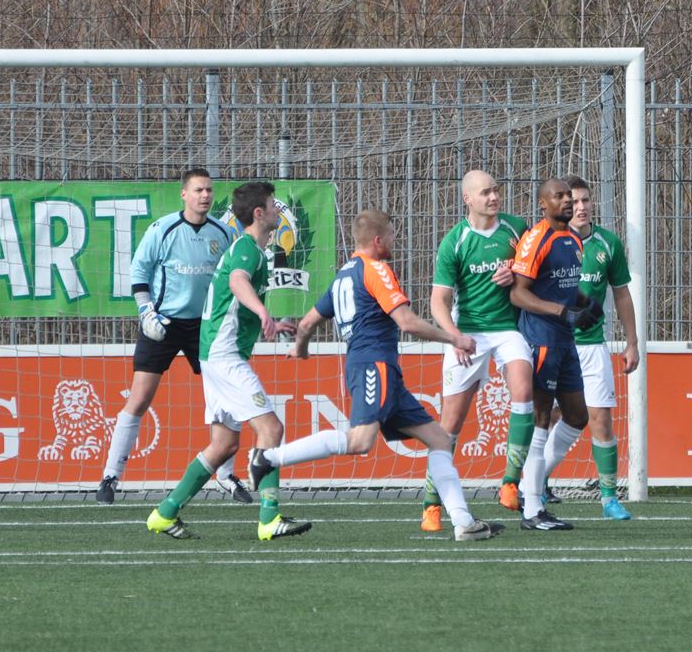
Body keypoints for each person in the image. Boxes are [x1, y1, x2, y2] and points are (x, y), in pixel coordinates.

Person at [251, 210, 503, 543]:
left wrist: (300, 347)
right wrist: (455, 338)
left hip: (378, 368)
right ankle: (268, 457)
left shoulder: (344, 273)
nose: (396, 242)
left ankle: (463, 523)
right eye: (393, 236)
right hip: (374, 365)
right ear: (378, 240)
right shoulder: (377, 270)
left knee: (440, 439)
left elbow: (310, 321)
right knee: (360, 441)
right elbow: (407, 323)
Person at [145, 180, 309, 541]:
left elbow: (236, 291)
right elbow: (237, 282)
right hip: (225, 355)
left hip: (215, 354)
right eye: (273, 205)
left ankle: (164, 513)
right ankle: (269, 518)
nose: (279, 212)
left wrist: (268, 319)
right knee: (271, 429)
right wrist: (262, 311)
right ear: (259, 213)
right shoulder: (248, 248)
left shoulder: (248, 249)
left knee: (224, 445)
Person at [98, 168, 253, 505]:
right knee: (140, 397)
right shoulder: (163, 229)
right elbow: (139, 272)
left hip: (206, 328)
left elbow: (231, 279)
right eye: (198, 190)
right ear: (184, 194)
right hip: (163, 324)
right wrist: (146, 311)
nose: (205, 196)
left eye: (209, 190)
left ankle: (226, 476)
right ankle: (111, 476)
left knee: (225, 399)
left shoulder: (223, 234)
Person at [420, 170, 535, 532]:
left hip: (506, 329)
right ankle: (431, 505)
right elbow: (439, 300)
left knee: (524, 390)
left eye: (496, 190)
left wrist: (514, 274)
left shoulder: (517, 229)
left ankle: (510, 482)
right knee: (450, 424)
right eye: (486, 192)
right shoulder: (455, 241)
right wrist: (454, 336)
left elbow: (535, 272)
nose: (494, 197)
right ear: (468, 199)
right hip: (467, 332)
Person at [538, 174, 640, 520]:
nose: (579, 207)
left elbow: (621, 294)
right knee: (545, 416)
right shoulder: (543, 241)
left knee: (600, 420)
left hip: (591, 345)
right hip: (549, 343)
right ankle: (532, 482)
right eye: (573, 200)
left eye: (585, 200)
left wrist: (632, 342)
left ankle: (609, 497)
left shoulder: (607, 244)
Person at [510, 178, 595, 531]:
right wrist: (561, 312)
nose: (568, 201)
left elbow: (565, 284)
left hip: (565, 339)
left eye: (569, 196)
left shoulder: (573, 238)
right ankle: (533, 508)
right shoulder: (536, 239)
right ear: (543, 204)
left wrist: (583, 303)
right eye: (559, 196)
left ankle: (526, 487)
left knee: (577, 416)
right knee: (541, 418)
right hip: (541, 338)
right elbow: (519, 294)